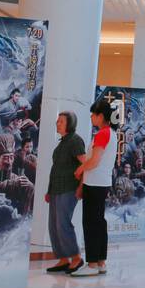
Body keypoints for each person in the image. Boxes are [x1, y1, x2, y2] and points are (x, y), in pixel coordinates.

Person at [71, 98, 115, 276]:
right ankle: (101, 262)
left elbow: (94, 161)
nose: (91, 117)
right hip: (100, 183)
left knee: (91, 223)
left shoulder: (103, 134)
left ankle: (92, 264)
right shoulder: (110, 133)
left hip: (95, 183)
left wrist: (80, 168)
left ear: (101, 116)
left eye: (93, 114)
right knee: (98, 222)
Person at [44, 110, 85, 274]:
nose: (57, 123)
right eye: (57, 121)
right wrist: (49, 191)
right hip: (55, 190)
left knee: (63, 224)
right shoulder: (62, 143)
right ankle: (63, 259)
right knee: (53, 226)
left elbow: (85, 165)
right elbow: (56, 169)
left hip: (69, 189)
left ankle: (76, 257)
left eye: (60, 121)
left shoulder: (75, 141)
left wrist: (81, 187)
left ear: (70, 124)